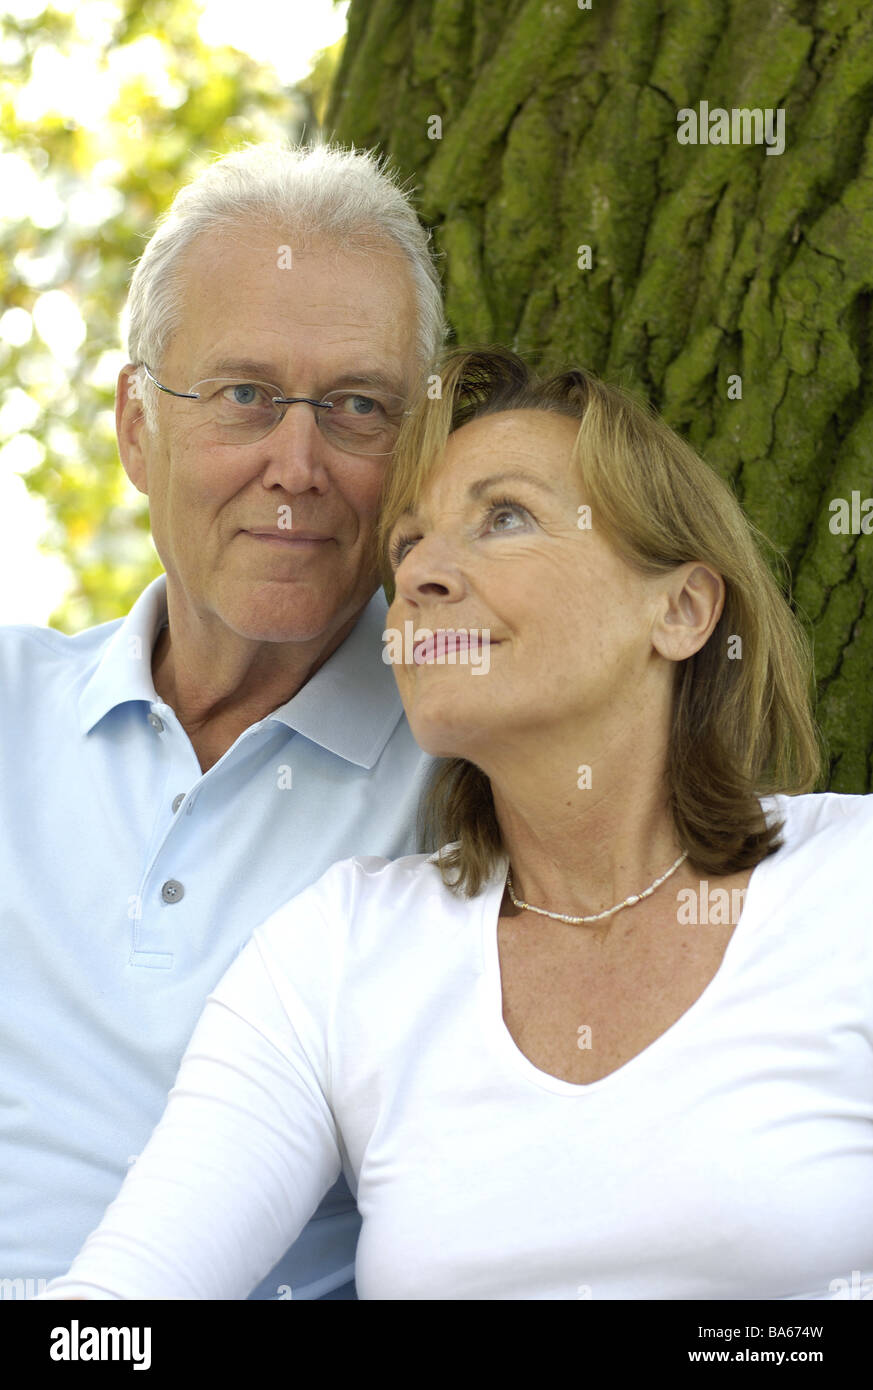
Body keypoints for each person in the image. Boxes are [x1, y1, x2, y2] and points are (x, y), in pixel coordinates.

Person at [39, 346, 873, 1301]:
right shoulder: (339, 950)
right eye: (406, 545)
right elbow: (121, 1310)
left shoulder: (850, 884)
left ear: (681, 609)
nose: (425, 575)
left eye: (504, 517)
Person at [0, 141, 445, 1302]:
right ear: (136, 427)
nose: (296, 467)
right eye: (245, 394)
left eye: (356, 408)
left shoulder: (474, 773)